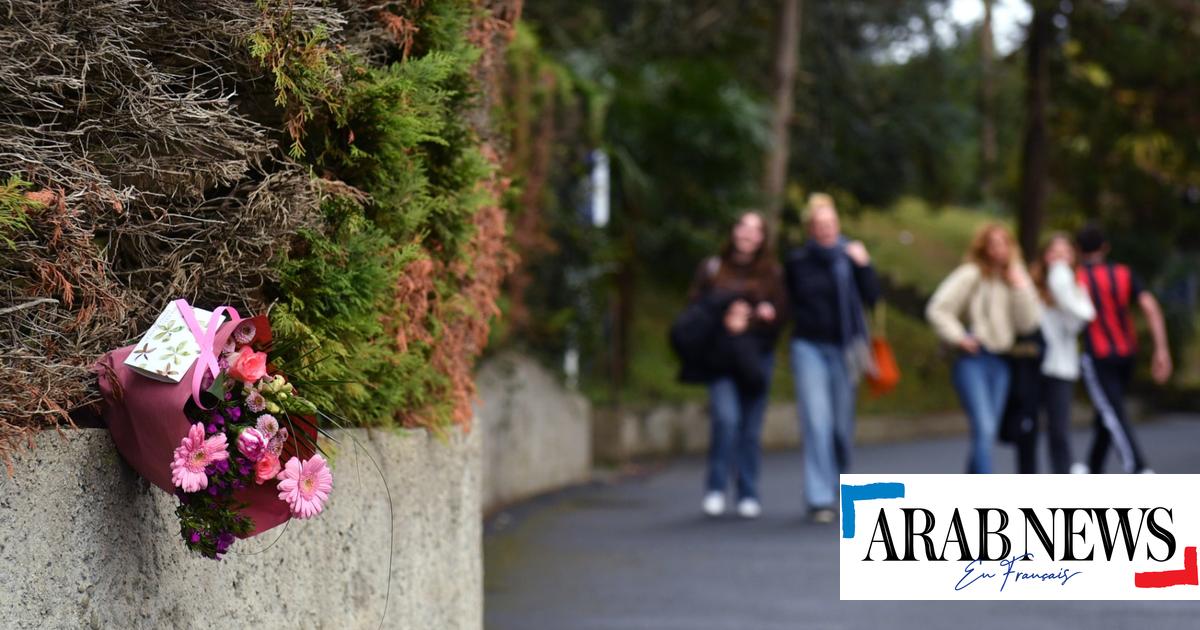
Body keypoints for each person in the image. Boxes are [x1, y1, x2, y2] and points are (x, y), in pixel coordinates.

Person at [686, 211, 787, 518]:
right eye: (743, 227)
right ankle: (716, 487)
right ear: (733, 231)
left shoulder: (772, 274)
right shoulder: (713, 269)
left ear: (762, 238)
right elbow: (694, 312)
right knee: (726, 420)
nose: (747, 234)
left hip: (756, 359)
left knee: (750, 428)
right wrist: (726, 317)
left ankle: (747, 490)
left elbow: (783, 317)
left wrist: (758, 317)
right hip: (720, 358)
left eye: (756, 230)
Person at [784, 194, 878, 524]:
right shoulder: (797, 262)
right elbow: (788, 303)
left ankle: (837, 477)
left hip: (845, 349)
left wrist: (864, 266)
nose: (826, 230)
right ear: (811, 228)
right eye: (819, 225)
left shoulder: (849, 258)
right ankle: (819, 497)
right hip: (809, 347)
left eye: (831, 224)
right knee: (816, 422)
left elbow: (873, 298)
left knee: (840, 427)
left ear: (838, 226)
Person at [927, 223, 1041, 474]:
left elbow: (1028, 324)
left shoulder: (1017, 276)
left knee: (986, 433)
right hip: (974, 360)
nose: (999, 250)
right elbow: (938, 308)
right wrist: (959, 337)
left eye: (1004, 244)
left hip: (1002, 362)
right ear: (984, 249)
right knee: (985, 427)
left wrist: (1020, 288)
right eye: (993, 245)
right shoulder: (972, 274)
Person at [1073, 224, 1172, 474]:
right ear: (1105, 247)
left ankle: (1137, 467)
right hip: (1127, 352)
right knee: (1109, 410)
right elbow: (1150, 306)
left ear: (1077, 249)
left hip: (1098, 355)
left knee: (1112, 412)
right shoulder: (1124, 274)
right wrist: (1161, 349)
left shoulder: (1076, 278)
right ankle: (1093, 467)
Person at [1014, 233, 1095, 473]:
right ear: (1044, 255)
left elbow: (1081, 319)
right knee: (1027, 429)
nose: (1059, 260)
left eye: (1065, 254)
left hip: (1061, 367)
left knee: (1058, 431)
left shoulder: (1075, 287)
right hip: (1032, 364)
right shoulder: (1030, 284)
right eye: (1054, 253)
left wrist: (1063, 291)